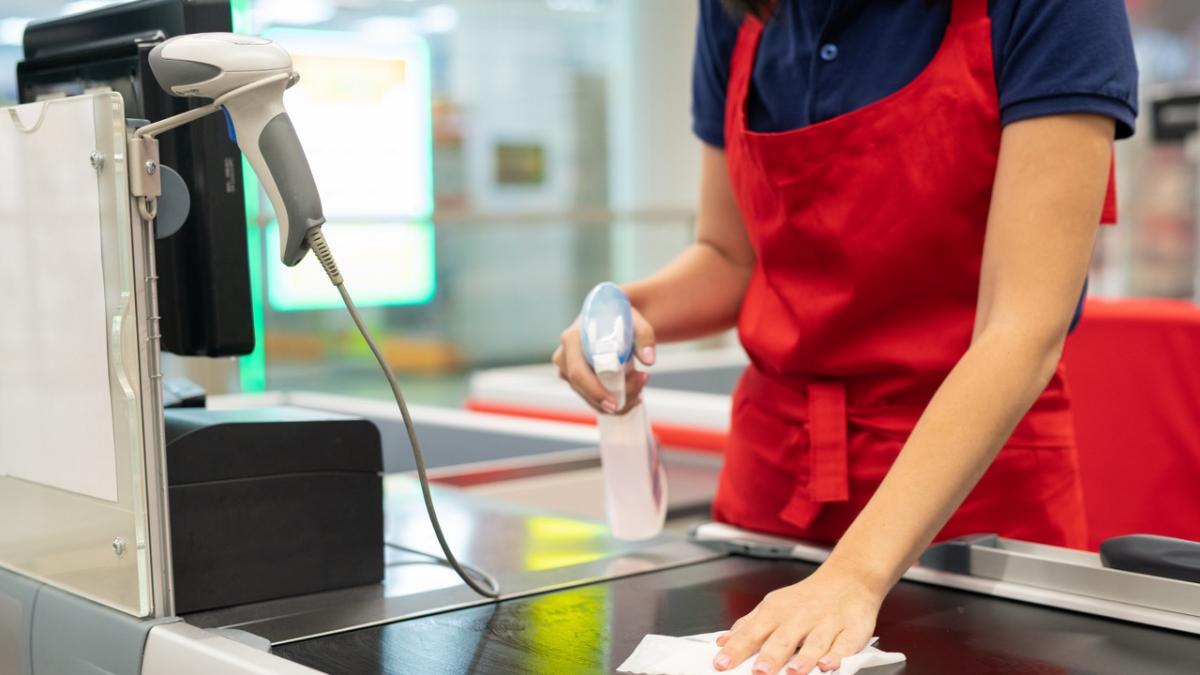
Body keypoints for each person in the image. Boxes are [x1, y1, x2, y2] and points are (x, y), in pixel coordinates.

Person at [553, 0, 1139, 672]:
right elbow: (729, 257)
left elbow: (1020, 329)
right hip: (773, 490)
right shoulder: (735, 11)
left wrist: (854, 575)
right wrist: (627, 310)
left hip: (973, 503)